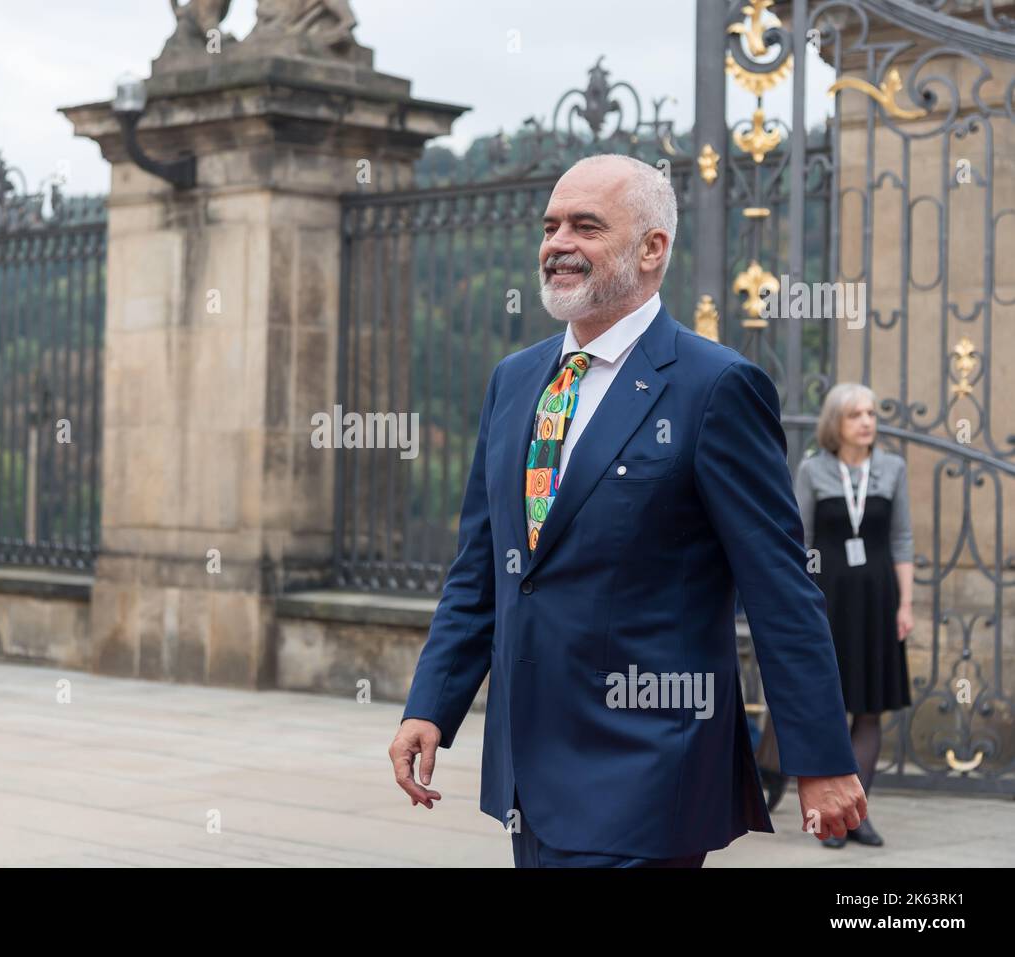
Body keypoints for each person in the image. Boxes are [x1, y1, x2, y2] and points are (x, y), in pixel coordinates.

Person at [387, 153, 865, 868]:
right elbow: (482, 569)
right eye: (550, 226)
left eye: (586, 225)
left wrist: (820, 756)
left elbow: (779, 587)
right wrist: (431, 702)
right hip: (528, 771)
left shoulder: (716, 388)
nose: (558, 244)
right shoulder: (514, 382)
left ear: (652, 248)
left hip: (648, 767)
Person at [794, 383, 914, 849]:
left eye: (871, 412)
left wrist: (905, 604)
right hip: (827, 599)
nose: (867, 421)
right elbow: (800, 539)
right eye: (855, 415)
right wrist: (801, 602)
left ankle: (855, 818)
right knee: (828, 705)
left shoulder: (894, 468)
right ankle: (829, 814)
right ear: (835, 424)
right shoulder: (813, 470)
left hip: (879, 601)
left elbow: (902, 540)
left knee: (869, 708)